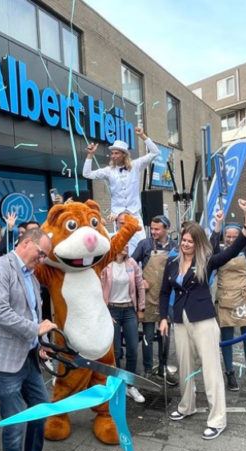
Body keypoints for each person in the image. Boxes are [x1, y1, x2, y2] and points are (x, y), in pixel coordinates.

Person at [158, 206, 246, 440]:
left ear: (198, 243)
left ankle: (217, 419)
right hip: (180, 320)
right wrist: (163, 317)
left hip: (203, 320)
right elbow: (164, 292)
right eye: (184, 240)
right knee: (184, 366)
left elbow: (231, 251)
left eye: (190, 241)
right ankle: (187, 406)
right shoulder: (172, 262)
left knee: (211, 369)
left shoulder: (207, 261)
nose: (186, 244)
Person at [0, 228, 57, 451]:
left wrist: (42, 343)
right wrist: (35, 330)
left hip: (28, 356)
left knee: (41, 411)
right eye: (41, 253)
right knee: (15, 424)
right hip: (2, 360)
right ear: (26, 243)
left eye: (45, 256)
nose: (42, 259)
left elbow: (34, 314)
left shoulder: (31, 275)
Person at [82, 126, 160, 254]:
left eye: (116, 153)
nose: (113, 156)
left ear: (124, 154)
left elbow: (155, 152)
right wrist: (90, 155)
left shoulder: (136, 165)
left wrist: (142, 136)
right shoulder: (108, 171)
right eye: (112, 153)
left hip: (134, 214)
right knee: (121, 248)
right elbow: (87, 174)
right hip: (118, 217)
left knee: (143, 246)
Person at [210, 200, 246, 391]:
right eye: (228, 236)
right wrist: (218, 224)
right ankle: (229, 373)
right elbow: (211, 245)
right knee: (227, 337)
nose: (231, 239)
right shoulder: (219, 253)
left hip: (244, 297)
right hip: (225, 299)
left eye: (234, 236)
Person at [132, 215, 178, 385]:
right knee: (148, 336)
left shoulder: (175, 246)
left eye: (157, 229)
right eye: (152, 228)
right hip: (149, 296)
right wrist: (140, 280)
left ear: (166, 228)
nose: (153, 232)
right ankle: (148, 370)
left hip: (168, 297)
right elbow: (131, 263)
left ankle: (163, 369)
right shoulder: (144, 244)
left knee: (165, 336)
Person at [100, 246, 146, 403]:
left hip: (129, 310)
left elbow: (140, 286)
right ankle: (118, 384)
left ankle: (130, 385)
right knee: (116, 351)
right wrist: (104, 312)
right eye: (123, 243)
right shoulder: (106, 265)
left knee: (133, 348)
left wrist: (141, 308)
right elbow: (98, 289)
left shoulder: (132, 263)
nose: (126, 246)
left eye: (127, 244)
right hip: (112, 310)